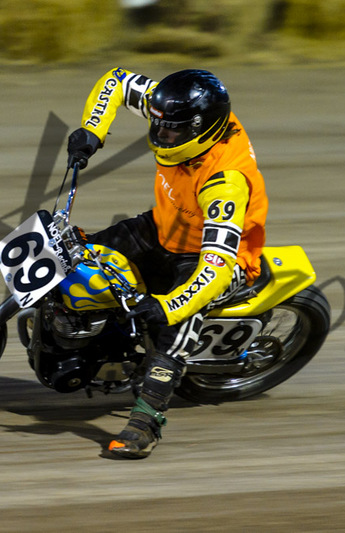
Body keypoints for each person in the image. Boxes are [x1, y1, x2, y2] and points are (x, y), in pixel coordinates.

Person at [67, 68, 269, 459]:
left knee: (173, 327)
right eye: (158, 125)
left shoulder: (225, 181)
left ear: (201, 130)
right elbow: (117, 82)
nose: (161, 135)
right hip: (164, 225)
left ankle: (146, 420)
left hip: (213, 257)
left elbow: (215, 268)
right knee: (74, 252)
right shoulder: (176, 111)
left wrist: (169, 305)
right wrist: (93, 130)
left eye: (171, 131)